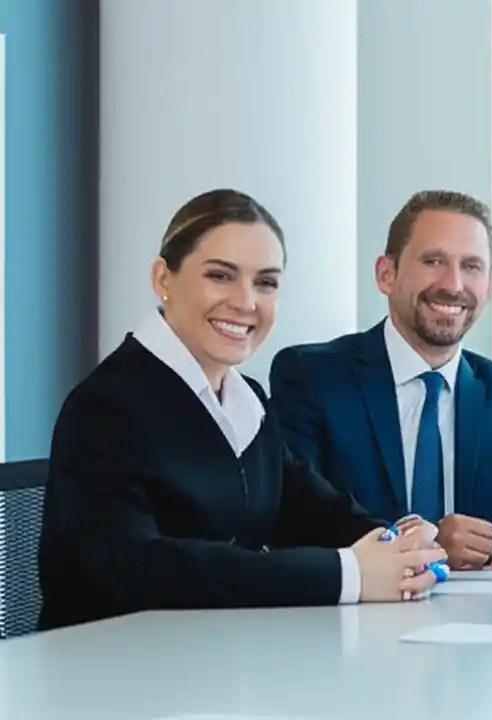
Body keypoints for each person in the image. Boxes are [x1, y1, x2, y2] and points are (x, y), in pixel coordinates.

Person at [38, 190, 446, 631]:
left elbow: (307, 507)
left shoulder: (245, 398)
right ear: (163, 278)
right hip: (109, 674)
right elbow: (133, 567)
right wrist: (348, 574)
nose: (246, 302)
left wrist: (401, 541)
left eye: (266, 283)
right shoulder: (106, 407)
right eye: (220, 275)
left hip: (216, 655)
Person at [269, 190, 492, 573]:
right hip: (343, 624)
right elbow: (292, 518)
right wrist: (418, 544)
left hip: (470, 626)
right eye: (433, 261)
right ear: (386, 274)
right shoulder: (312, 376)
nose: (453, 284)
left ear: (491, 286)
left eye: (472, 267)